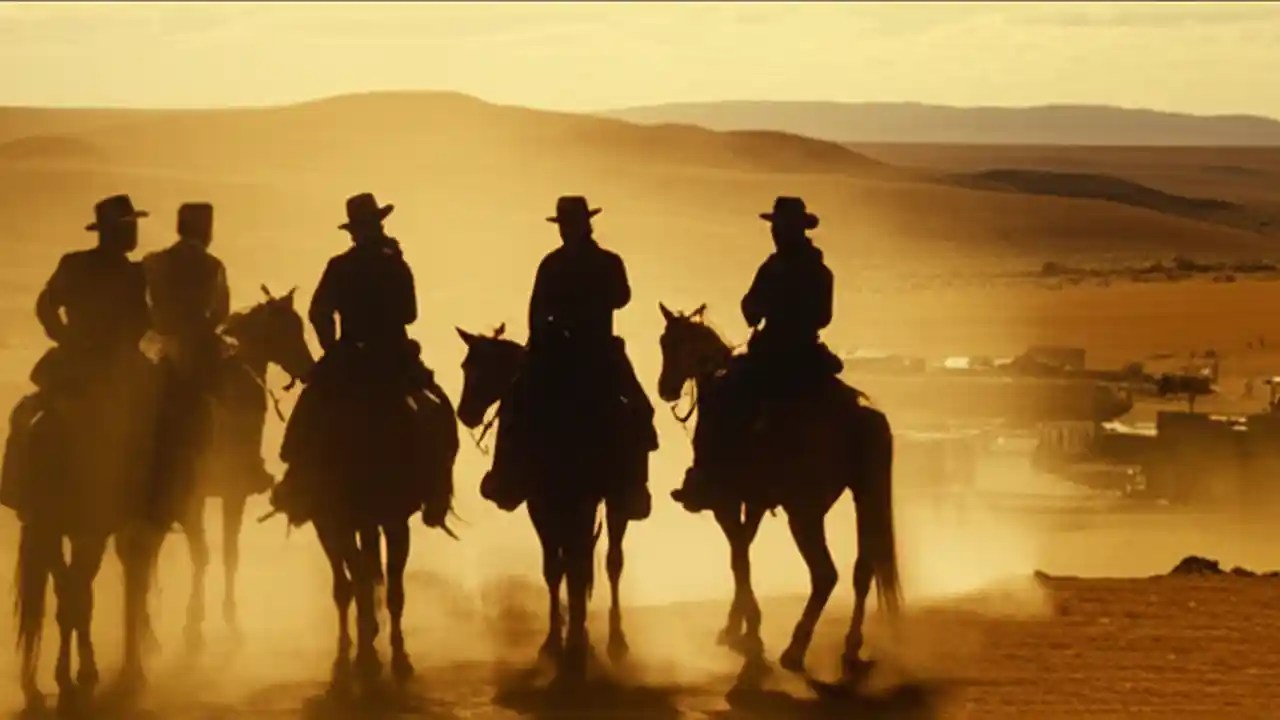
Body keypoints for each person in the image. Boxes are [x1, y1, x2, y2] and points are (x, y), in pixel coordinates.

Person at [273, 193, 453, 528]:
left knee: (312, 405)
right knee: (433, 407)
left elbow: (319, 312)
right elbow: (410, 314)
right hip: (391, 355)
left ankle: (295, 482)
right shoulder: (394, 264)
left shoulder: (340, 265)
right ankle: (436, 488)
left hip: (352, 356)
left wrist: (333, 348)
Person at [482, 196, 657, 520]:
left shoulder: (603, 262)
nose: (566, 230)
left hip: (594, 352)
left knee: (639, 410)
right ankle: (506, 478)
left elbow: (621, 297)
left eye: (570, 224)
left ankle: (632, 488)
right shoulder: (557, 263)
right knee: (514, 403)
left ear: (585, 225)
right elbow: (537, 309)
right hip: (568, 354)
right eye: (563, 225)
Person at [672, 196, 843, 513]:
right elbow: (822, 316)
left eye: (780, 227)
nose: (776, 233)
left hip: (776, 355)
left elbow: (751, 308)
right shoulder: (818, 270)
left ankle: (708, 479)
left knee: (719, 399)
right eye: (776, 227)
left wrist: (769, 310)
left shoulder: (777, 267)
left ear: (794, 229)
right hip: (808, 354)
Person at [2, 194, 154, 521]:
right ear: (113, 231)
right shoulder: (136, 274)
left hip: (73, 361)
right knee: (158, 421)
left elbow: (46, 306)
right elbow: (146, 321)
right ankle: (151, 503)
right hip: (116, 365)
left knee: (27, 417)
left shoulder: (74, 264)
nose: (134, 234)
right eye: (129, 227)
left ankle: (17, 487)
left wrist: (66, 338)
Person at [142, 202, 230, 527]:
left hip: (162, 348)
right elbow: (220, 311)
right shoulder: (212, 266)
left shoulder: (154, 262)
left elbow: (144, 305)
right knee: (229, 403)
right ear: (206, 230)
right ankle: (230, 469)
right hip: (199, 352)